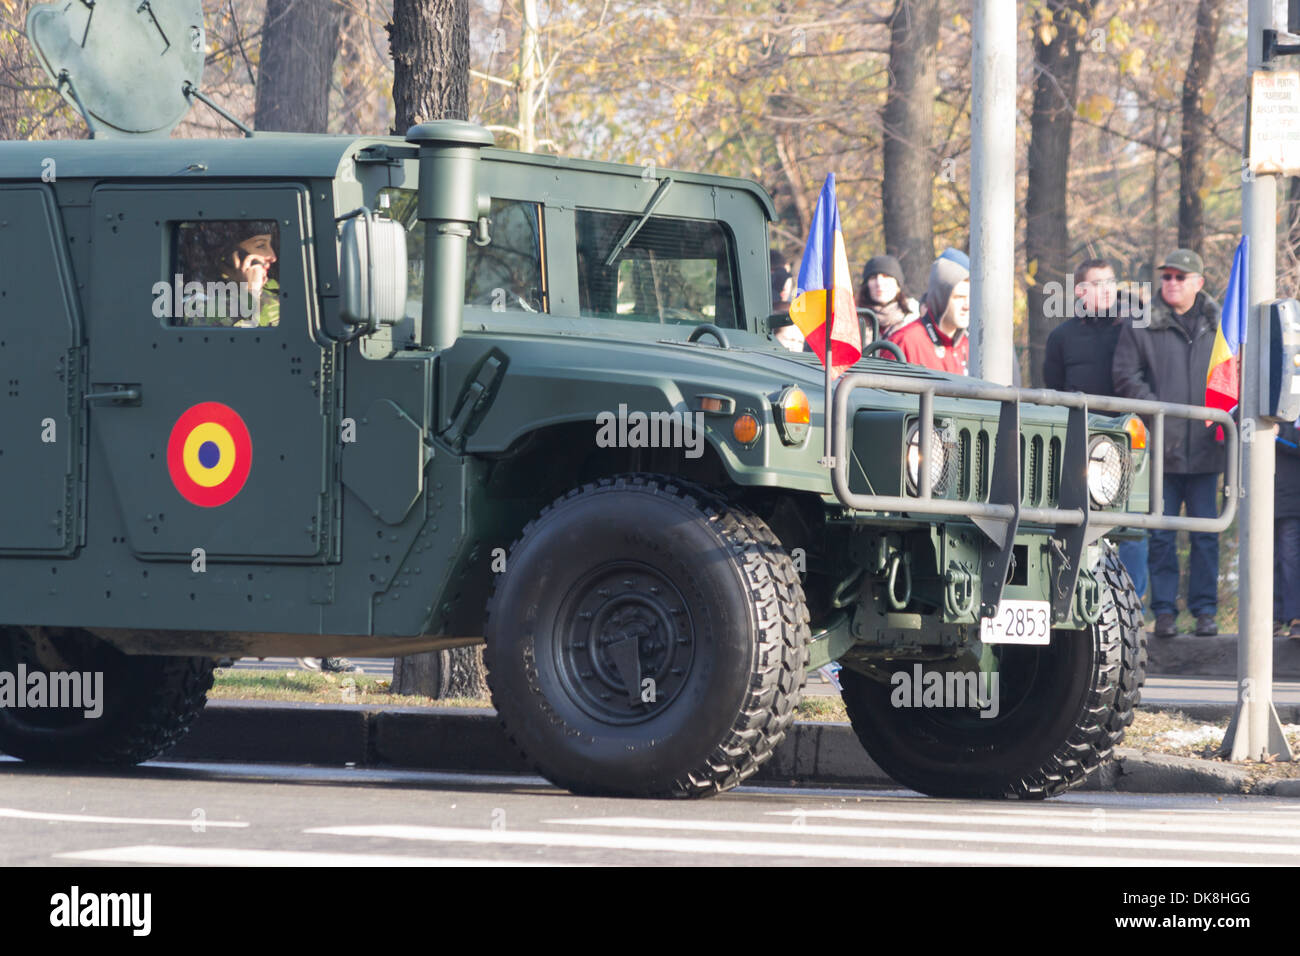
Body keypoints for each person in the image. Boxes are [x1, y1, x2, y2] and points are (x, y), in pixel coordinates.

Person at [1112, 248, 1224, 638]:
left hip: (1208, 449)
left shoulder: (1220, 324)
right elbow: (1126, 376)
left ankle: (1206, 610)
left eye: (1180, 276)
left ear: (1199, 282)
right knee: (1159, 536)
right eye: (1167, 276)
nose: (1172, 283)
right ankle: (1163, 613)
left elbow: (1232, 376)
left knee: (1206, 535)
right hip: (1160, 448)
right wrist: (1155, 411)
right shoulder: (1140, 322)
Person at [1042, 257, 1147, 598]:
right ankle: (1078, 594)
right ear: (1080, 291)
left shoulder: (1132, 329)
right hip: (1080, 442)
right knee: (1082, 523)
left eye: (1110, 282)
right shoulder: (1062, 336)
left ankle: (1131, 600)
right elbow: (1054, 388)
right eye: (1096, 284)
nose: (1105, 291)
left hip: (1126, 440)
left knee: (1131, 525)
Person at [884, 248, 970, 374]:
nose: (967, 306)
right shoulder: (905, 343)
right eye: (959, 297)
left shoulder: (969, 346)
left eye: (971, 298)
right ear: (940, 298)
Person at [1275, 421, 1300, 640]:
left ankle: (1295, 618)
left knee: (1290, 557)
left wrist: (1278, 432)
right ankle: (1273, 616)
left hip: (1291, 494)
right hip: (1261, 495)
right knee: (1265, 558)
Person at [857, 254, 919, 339]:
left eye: (886, 276)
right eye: (873, 277)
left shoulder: (915, 318)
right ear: (866, 285)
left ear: (897, 285)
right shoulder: (855, 321)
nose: (879, 283)